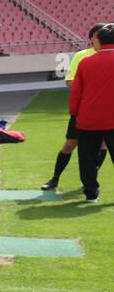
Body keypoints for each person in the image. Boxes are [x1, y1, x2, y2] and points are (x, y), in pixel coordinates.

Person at [42, 24, 109, 191]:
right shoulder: (82, 56)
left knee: (103, 145)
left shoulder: (109, 54)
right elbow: (70, 81)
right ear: (92, 38)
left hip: (107, 111)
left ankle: (90, 181)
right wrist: (93, 90)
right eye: (97, 35)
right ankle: (55, 178)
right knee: (71, 143)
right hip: (84, 110)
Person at [69, 23, 114, 202]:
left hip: (88, 119)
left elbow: (76, 93)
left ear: (99, 41)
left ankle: (91, 192)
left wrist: (75, 113)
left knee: (87, 157)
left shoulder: (85, 62)